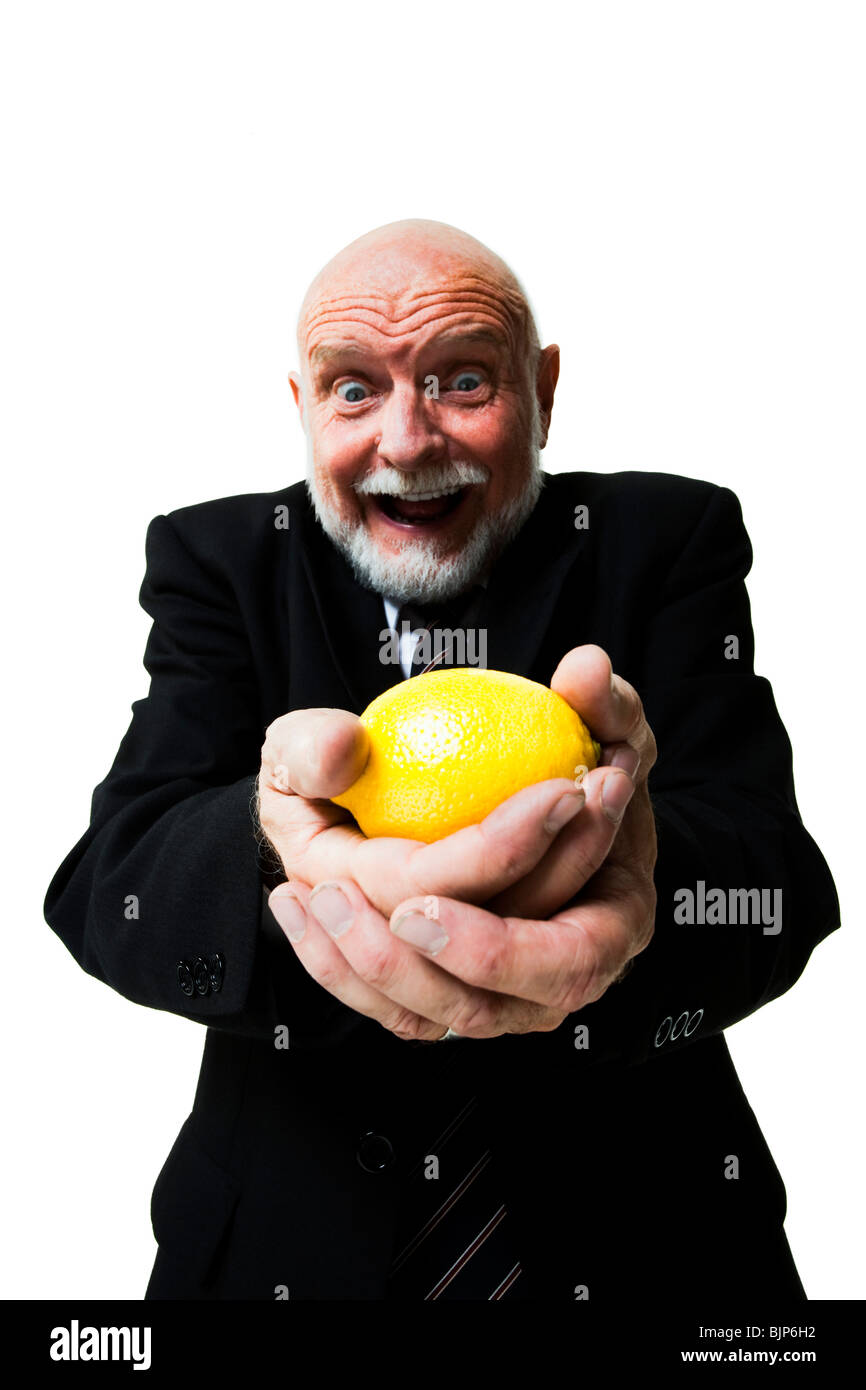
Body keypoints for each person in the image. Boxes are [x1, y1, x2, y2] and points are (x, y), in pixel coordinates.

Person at [44, 219, 840, 1302]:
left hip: (656, 1255)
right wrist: (282, 849)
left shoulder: (665, 539)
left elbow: (775, 888)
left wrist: (622, 877)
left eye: (462, 380)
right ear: (301, 409)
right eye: (353, 390)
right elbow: (111, 887)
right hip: (284, 1256)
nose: (408, 441)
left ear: (544, 389)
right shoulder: (220, 561)